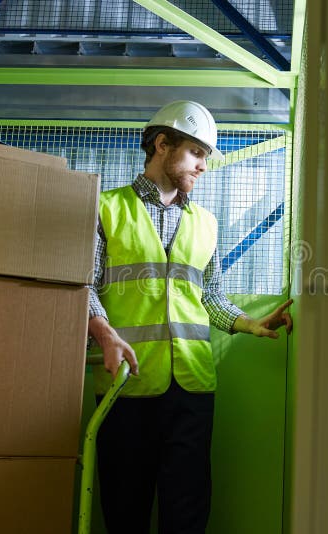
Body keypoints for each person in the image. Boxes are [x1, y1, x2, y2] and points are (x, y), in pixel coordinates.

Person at [87, 100, 294, 534]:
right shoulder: (104, 209)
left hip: (192, 388)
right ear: (162, 145)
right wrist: (104, 335)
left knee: (188, 511)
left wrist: (250, 323)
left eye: (206, 156)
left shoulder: (206, 224)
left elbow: (212, 297)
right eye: (197, 152)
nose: (203, 165)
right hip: (127, 385)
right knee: (125, 508)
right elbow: (82, 287)